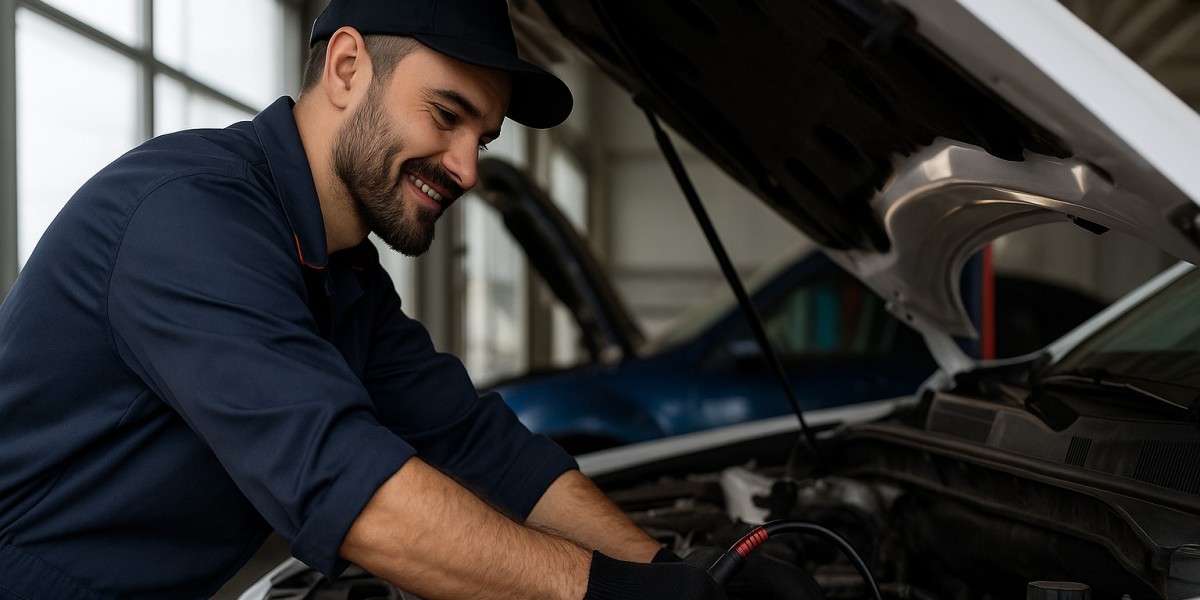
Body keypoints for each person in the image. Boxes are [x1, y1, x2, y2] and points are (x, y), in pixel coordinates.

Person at [0, 0, 817, 598]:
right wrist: (606, 595)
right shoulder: (189, 217)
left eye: (483, 139)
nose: (466, 166)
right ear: (348, 67)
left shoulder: (343, 276)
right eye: (447, 114)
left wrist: (669, 573)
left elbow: (478, 446)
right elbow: (348, 489)